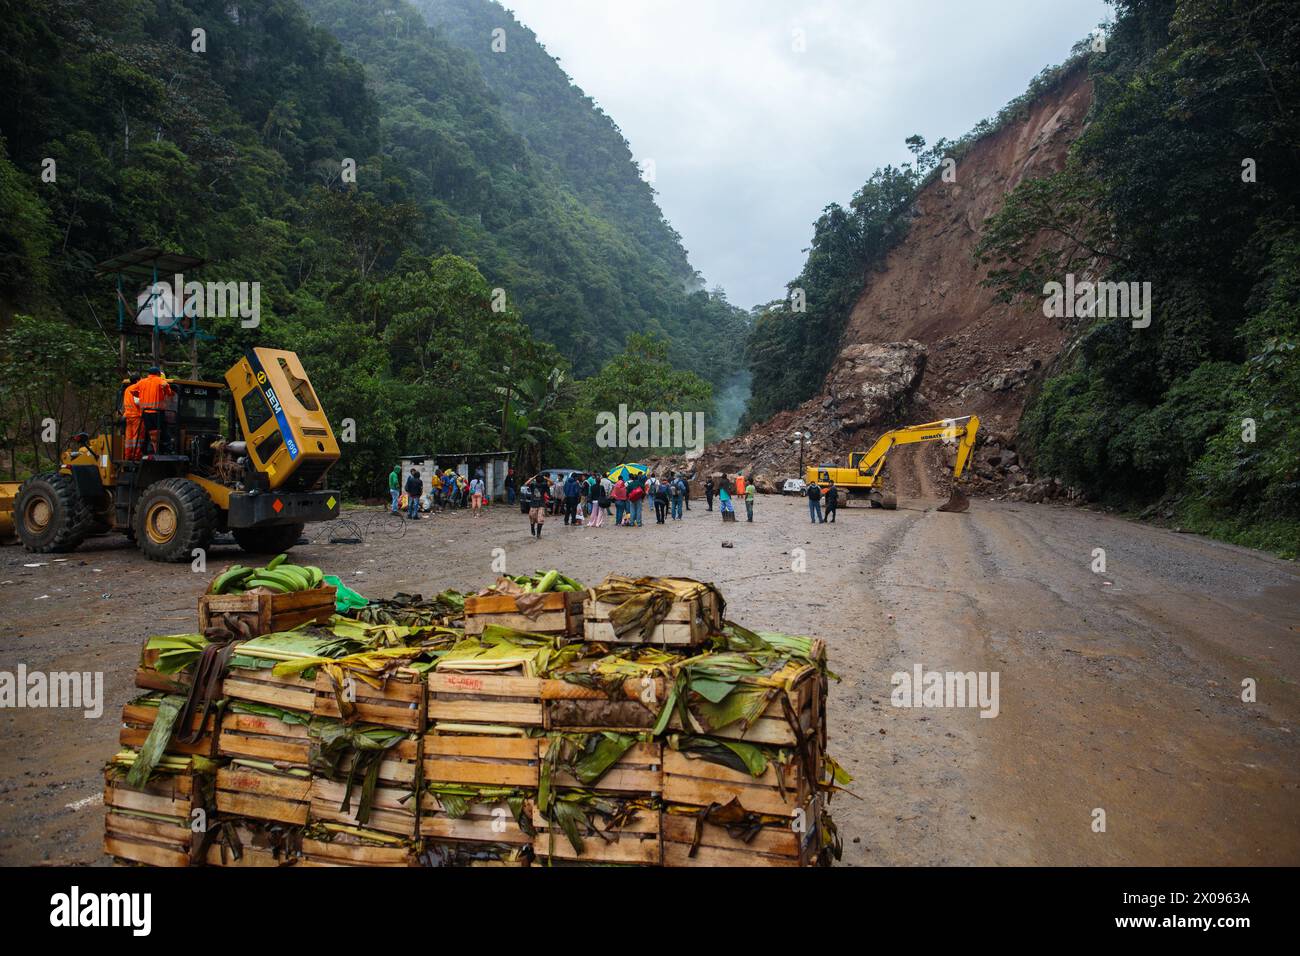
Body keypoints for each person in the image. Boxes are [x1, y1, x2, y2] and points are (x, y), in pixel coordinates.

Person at [135, 366, 174, 454]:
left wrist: (140, 395)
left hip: (145, 413)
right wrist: (168, 392)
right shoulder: (160, 380)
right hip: (157, 412)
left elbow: (133, 390)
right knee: (163, 431)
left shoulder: (141, 382)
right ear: (158, 374)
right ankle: (165, 450)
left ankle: (148, 450)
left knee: (149, 432)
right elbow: (168, 391)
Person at [122, 376, 145, 460]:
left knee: (129, 438)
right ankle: (137, 455)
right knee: (137, 437)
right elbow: (137, 401)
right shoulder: (137, 388)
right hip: (136, 416)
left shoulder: (127, 389)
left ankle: (128, 455)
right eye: (140, 379)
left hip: (128, 416)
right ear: (137, 380)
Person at [527, 473, 549, 537]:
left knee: (540, 519)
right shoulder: (533, 485)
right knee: (532, 518)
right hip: (533, 504)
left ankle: (538, 534)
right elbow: (526, 483)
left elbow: (552, 483)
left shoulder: (544, 485)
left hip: (541, 504)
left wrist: (545, 478)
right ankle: (532, 528)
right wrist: (533, 478)